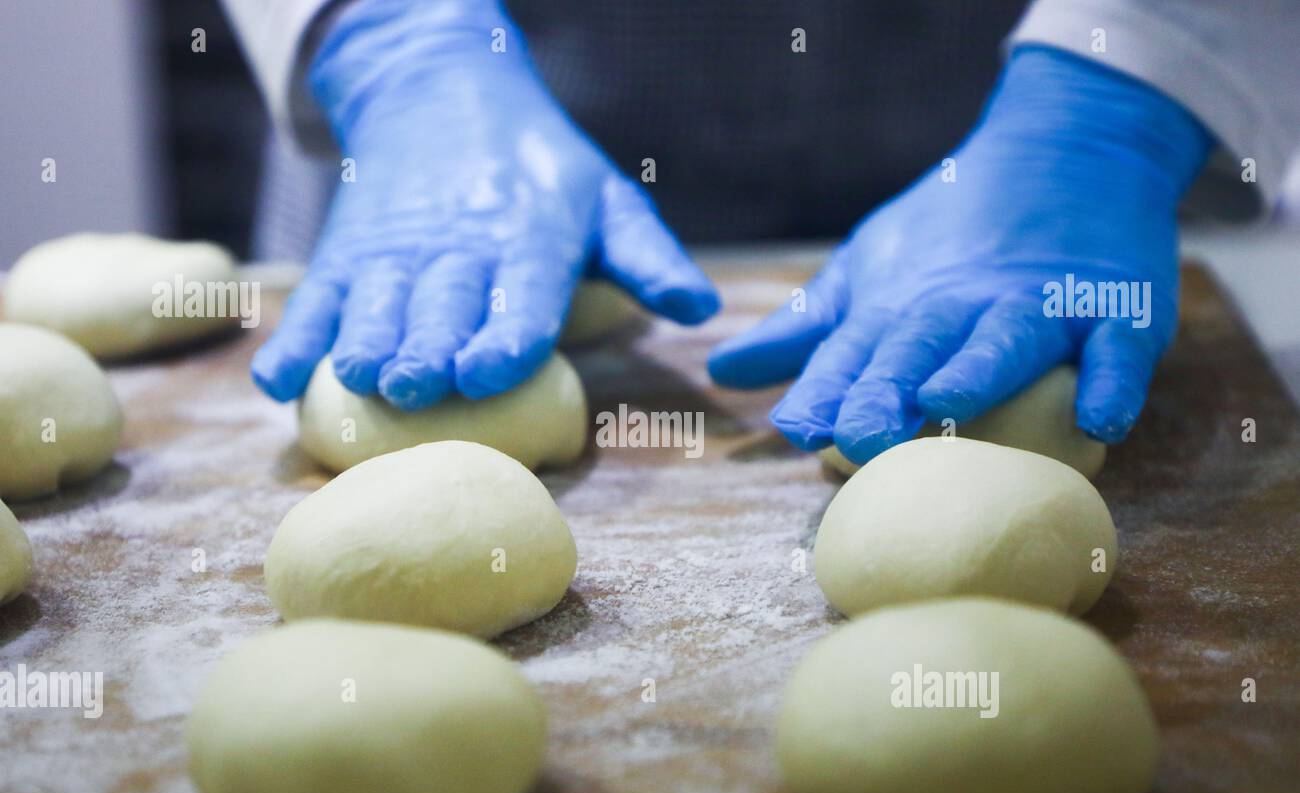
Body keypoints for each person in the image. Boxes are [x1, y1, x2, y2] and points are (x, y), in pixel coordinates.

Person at [222, 0, 1300, 465]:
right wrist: (396, 47)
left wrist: (1115, 103)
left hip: (1001, 111)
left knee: (977, 369)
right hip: (449, 163)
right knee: (428, 325)